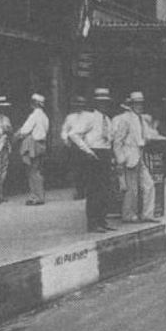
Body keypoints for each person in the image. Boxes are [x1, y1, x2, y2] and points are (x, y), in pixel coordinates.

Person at [68, 88, 117, 233]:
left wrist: (111, 156)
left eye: (106, 103)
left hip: (105, 154)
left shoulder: (107, 119)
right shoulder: (90, 117)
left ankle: (102, 220)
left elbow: (110, 140)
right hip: (94, 154)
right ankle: (93, 223)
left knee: (105, 190)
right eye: (102, 103)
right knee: (94, 190)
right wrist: (87, 150)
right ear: (96, 103)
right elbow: (73, 134)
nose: (104, 105)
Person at [111, 91, 157, 223]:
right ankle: (128, 215)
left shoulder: (142, 119)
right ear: (131, 105)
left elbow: (147, 135)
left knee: (149, 184)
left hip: (140, 154)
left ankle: (147, 214)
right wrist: (120, 158)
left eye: (141, 103)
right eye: (137, 103)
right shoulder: (125, 119)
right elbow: (118, 141)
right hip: (129, 156)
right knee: (131, 189)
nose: (139, 106)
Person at [15, 93, 49, 206]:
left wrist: (17, 135)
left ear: (34, 103)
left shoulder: (34, 115)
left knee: (32, 171)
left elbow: (25, 130)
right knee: (37, 170)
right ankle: (39, 195)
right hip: (42, 144)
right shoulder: (44, 116)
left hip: (33, 144)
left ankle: (36, 196)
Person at [60, 96, 87, 199]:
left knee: (86, 169)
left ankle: (86, 190)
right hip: (75, 146)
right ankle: (79, 191)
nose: (79, 107)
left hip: (86, 145)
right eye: (77, 105)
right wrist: (66, 141)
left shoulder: (89, 117)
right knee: (77, 170)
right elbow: (64, 130)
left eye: (81, 105)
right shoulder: (70, 117)